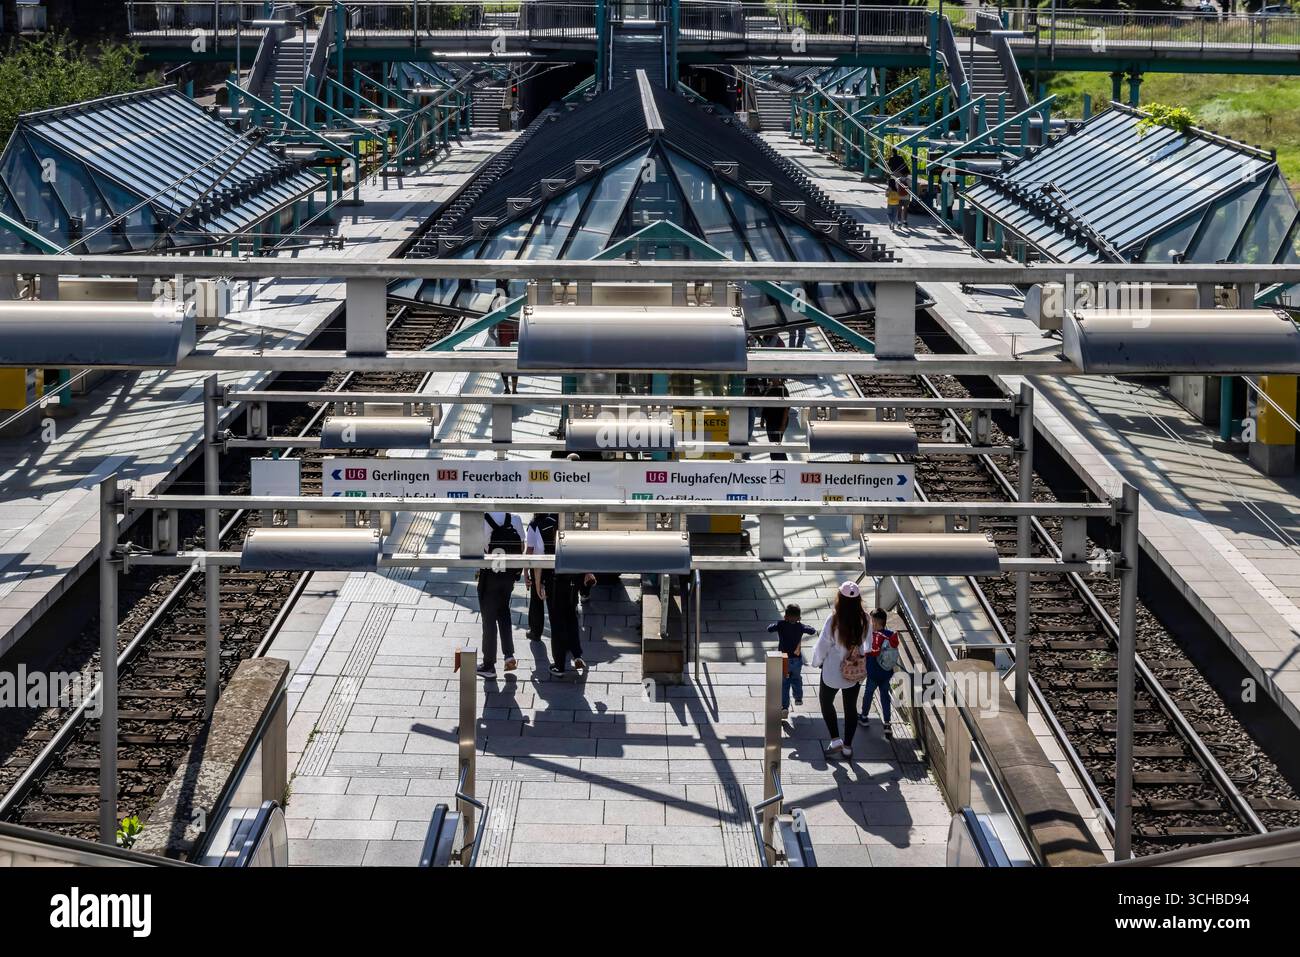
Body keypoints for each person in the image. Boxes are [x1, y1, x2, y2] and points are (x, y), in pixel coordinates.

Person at [810, 581, 869, 759]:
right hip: (854, 671)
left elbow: (822, 646)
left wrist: (816, 662)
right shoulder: (865, 618)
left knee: (826, 701)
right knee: (850, 707)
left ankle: (835, 739)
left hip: (832, 671)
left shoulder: (834, 619)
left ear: (839, 598)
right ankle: (848, 746)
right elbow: (868, 643)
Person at [476, 511, 524, 677]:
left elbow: (476, 549)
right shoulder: (515, 519)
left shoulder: (482, 520)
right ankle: (509, 655)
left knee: (488, 621)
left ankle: (489, 665)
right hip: (508, 575)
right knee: (503, 613)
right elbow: (521, 547)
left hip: (490, 574)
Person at [543, 570, 596, 676]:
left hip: (554, 581)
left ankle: (559, 666)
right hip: (573, 580)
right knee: (571, 618)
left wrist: (539, 582)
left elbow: (541, 559)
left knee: (557, 624)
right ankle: (577, 655)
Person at [768, 603, 815, 718]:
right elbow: (812, 631)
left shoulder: (781, 624)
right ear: (799, 618)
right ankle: (798, 698)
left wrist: (778, 624)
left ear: (785, 616)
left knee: (784, 683)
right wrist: (803, 625)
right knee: (796, 679)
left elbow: (769, 629)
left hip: (784, 659)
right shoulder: (800, 626)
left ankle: (784, 707)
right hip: (796, 660)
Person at [860, 607, 901, 739]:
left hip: (873, 673)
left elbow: (870, 651)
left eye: (871, 622)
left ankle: (864, 717)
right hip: (887, 673)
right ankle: (887, 723)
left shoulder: (874, 636)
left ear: (875, 623)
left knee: (868, 694)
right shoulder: (890, 635)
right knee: (885, 697)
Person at [524, 512, 559, 642]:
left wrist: (526, 571)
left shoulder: (534, 525)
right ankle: (560, 634)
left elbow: (530, 551)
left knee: (536, 600)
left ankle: (535, 631)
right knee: (554, 603)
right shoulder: (556, 520)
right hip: (557, 566)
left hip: (539, 567)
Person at [761, 377, 791, 461]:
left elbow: (786, 409)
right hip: (770, 420)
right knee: (772, 443)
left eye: (775, 378)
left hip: (779, 421)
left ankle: (782, 461)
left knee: (776, 444)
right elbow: (764, 403)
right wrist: (762, 419)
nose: (773, 380)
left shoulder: (783, 390)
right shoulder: (769, 386)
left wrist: (782, 425)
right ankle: (775, 460)